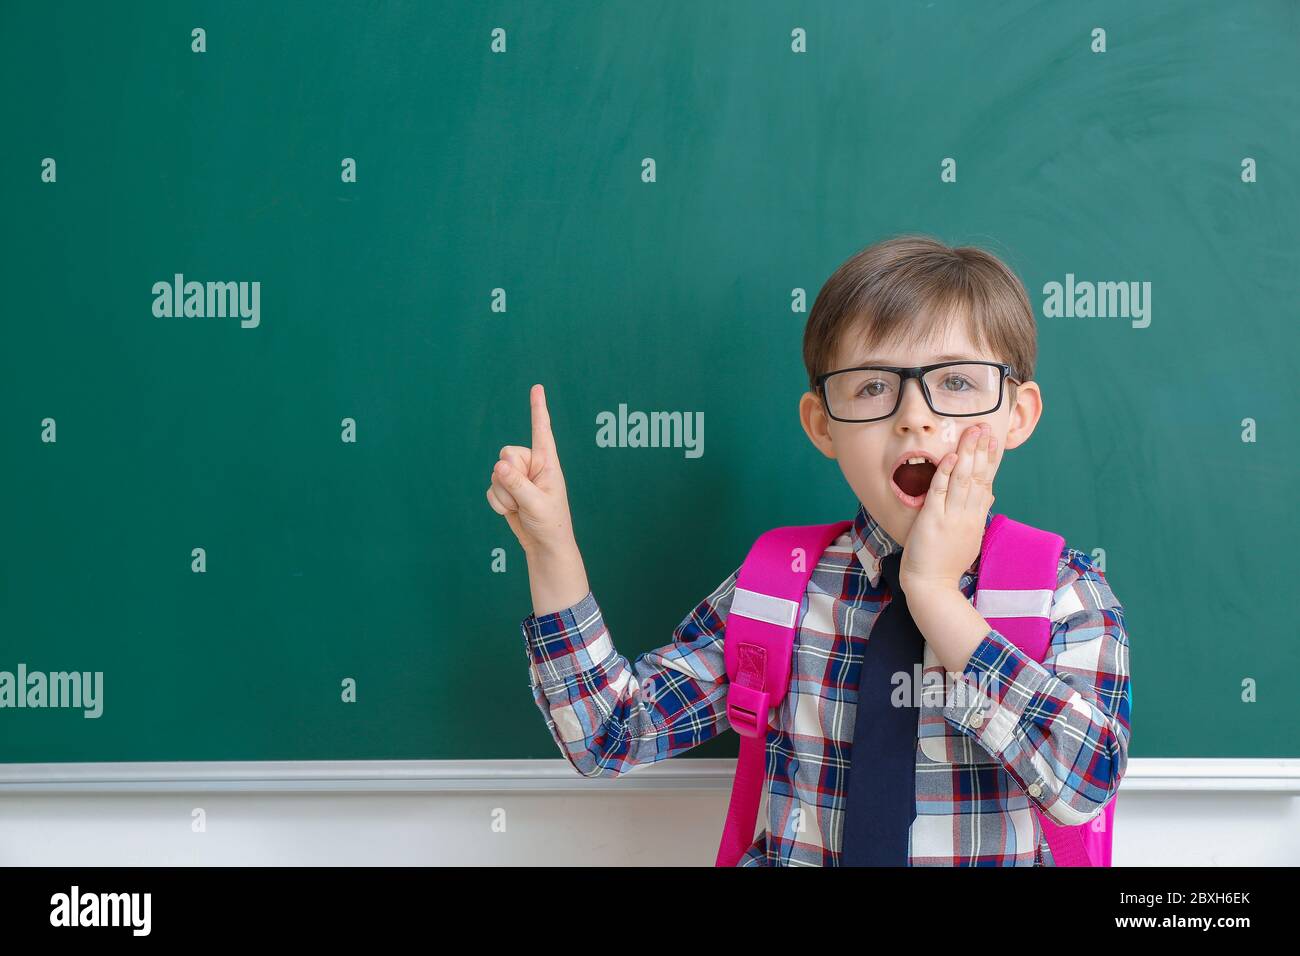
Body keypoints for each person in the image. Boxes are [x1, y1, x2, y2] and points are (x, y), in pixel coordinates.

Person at [485, 234, 1131, 866]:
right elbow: (608, 736)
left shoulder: (1064, 593)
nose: (916, 417)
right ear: (823, 425)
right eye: (874, 386)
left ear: (1016, 415)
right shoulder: (777, 588)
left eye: (957, 382)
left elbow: (1085, 782)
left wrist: (934, 596)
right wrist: (551, 550)